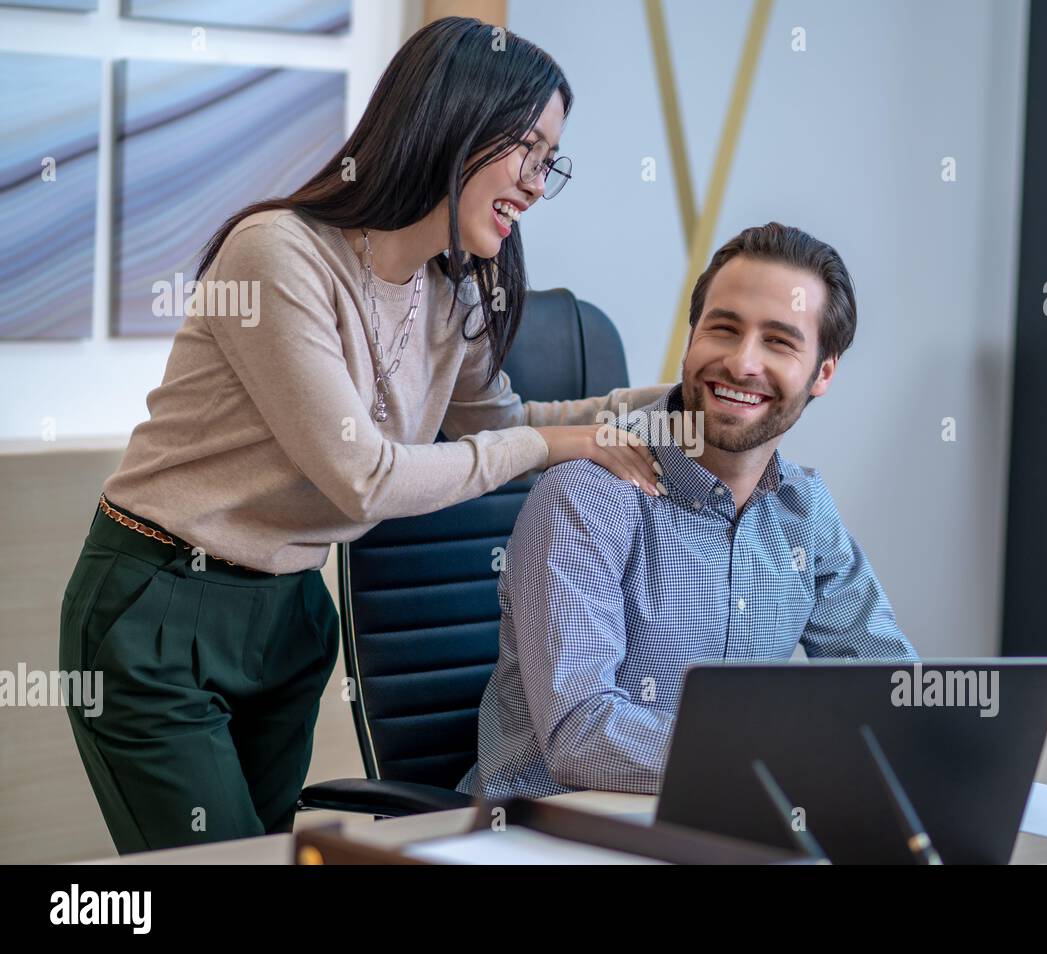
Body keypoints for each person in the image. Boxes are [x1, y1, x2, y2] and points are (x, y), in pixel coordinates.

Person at [59, 16, 667, 854]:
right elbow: (366, 479)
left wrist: (682, 400)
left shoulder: (451, 294)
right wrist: (562, 446)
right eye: (527, 148)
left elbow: (511, 425)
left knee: (264, 857)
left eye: (549, 160)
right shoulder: (278, 256)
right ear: (451, 118)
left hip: (292, 615)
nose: (536, 183)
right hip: (161, 604)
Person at [459, 222, 918, 800]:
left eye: (779, 341)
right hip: (553, 836)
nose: (742, 362)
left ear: (822, 373)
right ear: (691, 336)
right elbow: (581, 738)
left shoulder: (802, 510)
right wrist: (777, 761)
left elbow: (891, 686)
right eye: (723, 329)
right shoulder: (585, 496)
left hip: (728, 823)